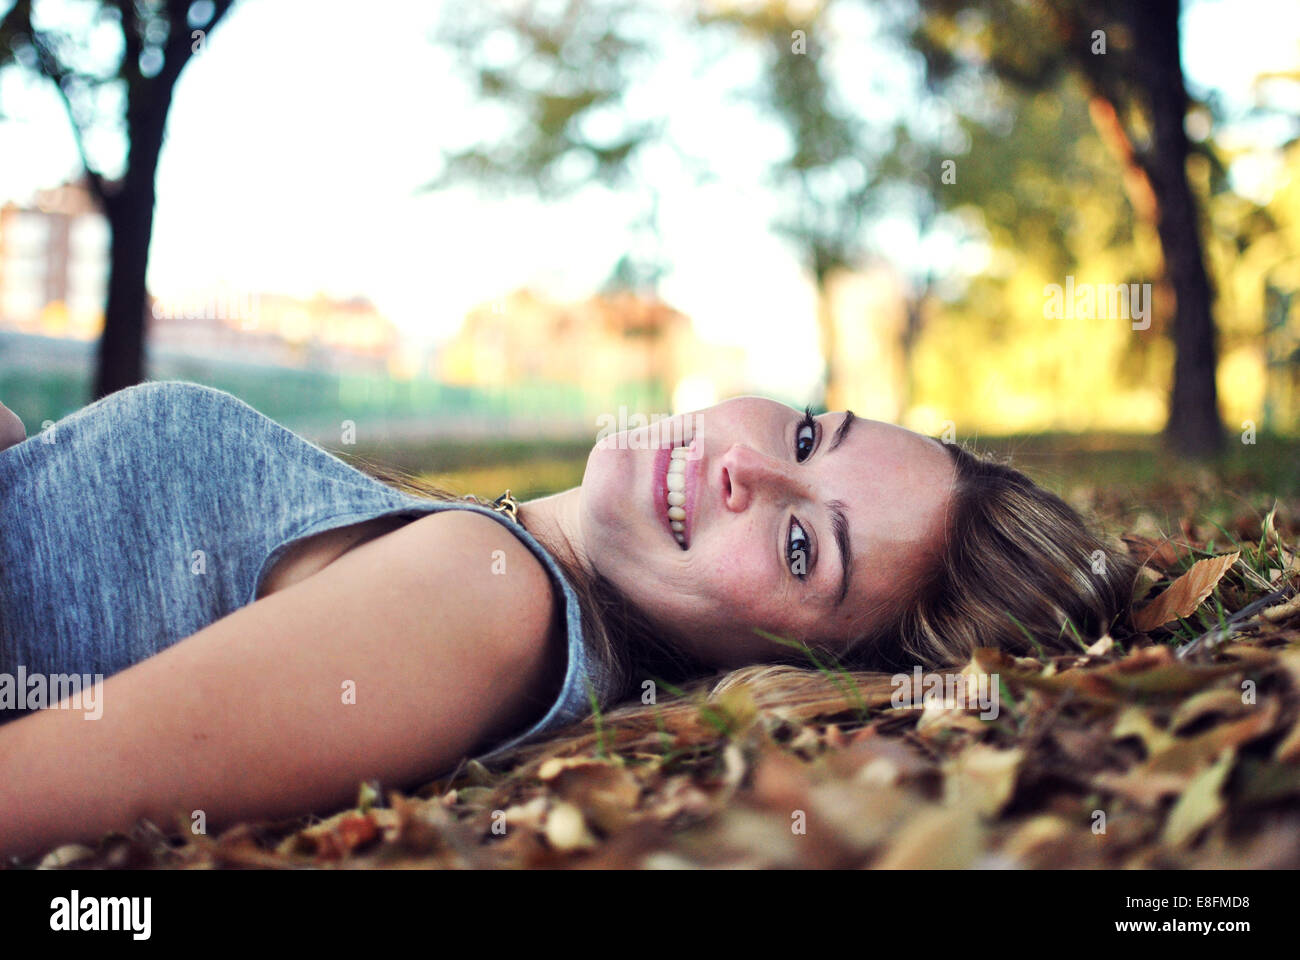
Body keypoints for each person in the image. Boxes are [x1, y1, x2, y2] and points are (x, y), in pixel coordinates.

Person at [0, 380, 1136, 861]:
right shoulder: (477, 550)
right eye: (802, 435)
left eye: (803, 547)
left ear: (796, 659)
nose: (745, 468)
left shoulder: (486, 599)